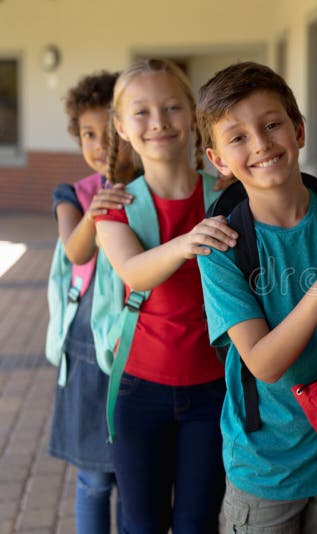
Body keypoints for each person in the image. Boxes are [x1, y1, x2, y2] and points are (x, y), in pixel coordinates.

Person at [195, 61, 317, 533]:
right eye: (237, 137)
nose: (260, 144)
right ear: (217, 159)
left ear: (298, 130)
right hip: (264, 468)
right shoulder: (223, 247)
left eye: (272, 124)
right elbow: (262, 362)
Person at [94, 59, 236, 533]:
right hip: (138, 389)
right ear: (121, 127)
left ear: (193, 115)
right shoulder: (119, 205)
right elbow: (135, 271)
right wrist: (186, 241)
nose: (158, 121)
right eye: (142, 112)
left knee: (198, 521)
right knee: (141, 523)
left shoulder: (229, 195)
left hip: (213, 388)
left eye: (173, 107)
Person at [48, 70, 136, 534]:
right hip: (88, 347)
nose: (101, 144)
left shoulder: (150, 187)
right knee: (96, 477)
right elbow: (74, 250)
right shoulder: (74, 195)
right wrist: (98, 209)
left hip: (138, 338)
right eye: (88, 134)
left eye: (111, 132)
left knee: (136, 475)